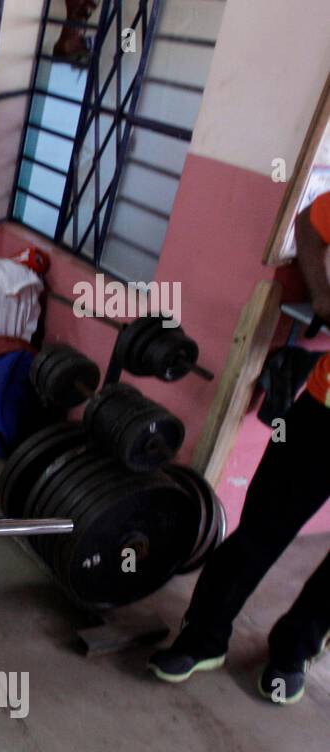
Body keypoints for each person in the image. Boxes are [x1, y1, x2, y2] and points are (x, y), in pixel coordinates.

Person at [148, 191, 330, 704]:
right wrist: (321, 294)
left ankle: (295, 646)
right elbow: (312, 221)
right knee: (262, 527)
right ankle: (203, 637)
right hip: (323, 410)